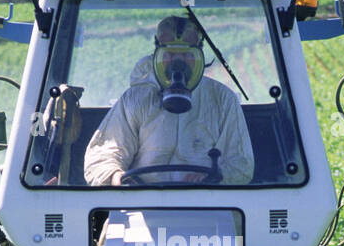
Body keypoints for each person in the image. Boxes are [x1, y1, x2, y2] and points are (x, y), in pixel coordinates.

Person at [83, 16, 254, 186]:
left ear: (200, 56)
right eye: (170, 54)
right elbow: (101, 158)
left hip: (206, 202)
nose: (178, 64)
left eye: (187, 54)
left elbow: (240, 163)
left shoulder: (222, 99)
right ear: (156, 56)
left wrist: (213, 177)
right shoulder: (134, 99)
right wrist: (117, 177)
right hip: (140, 203)